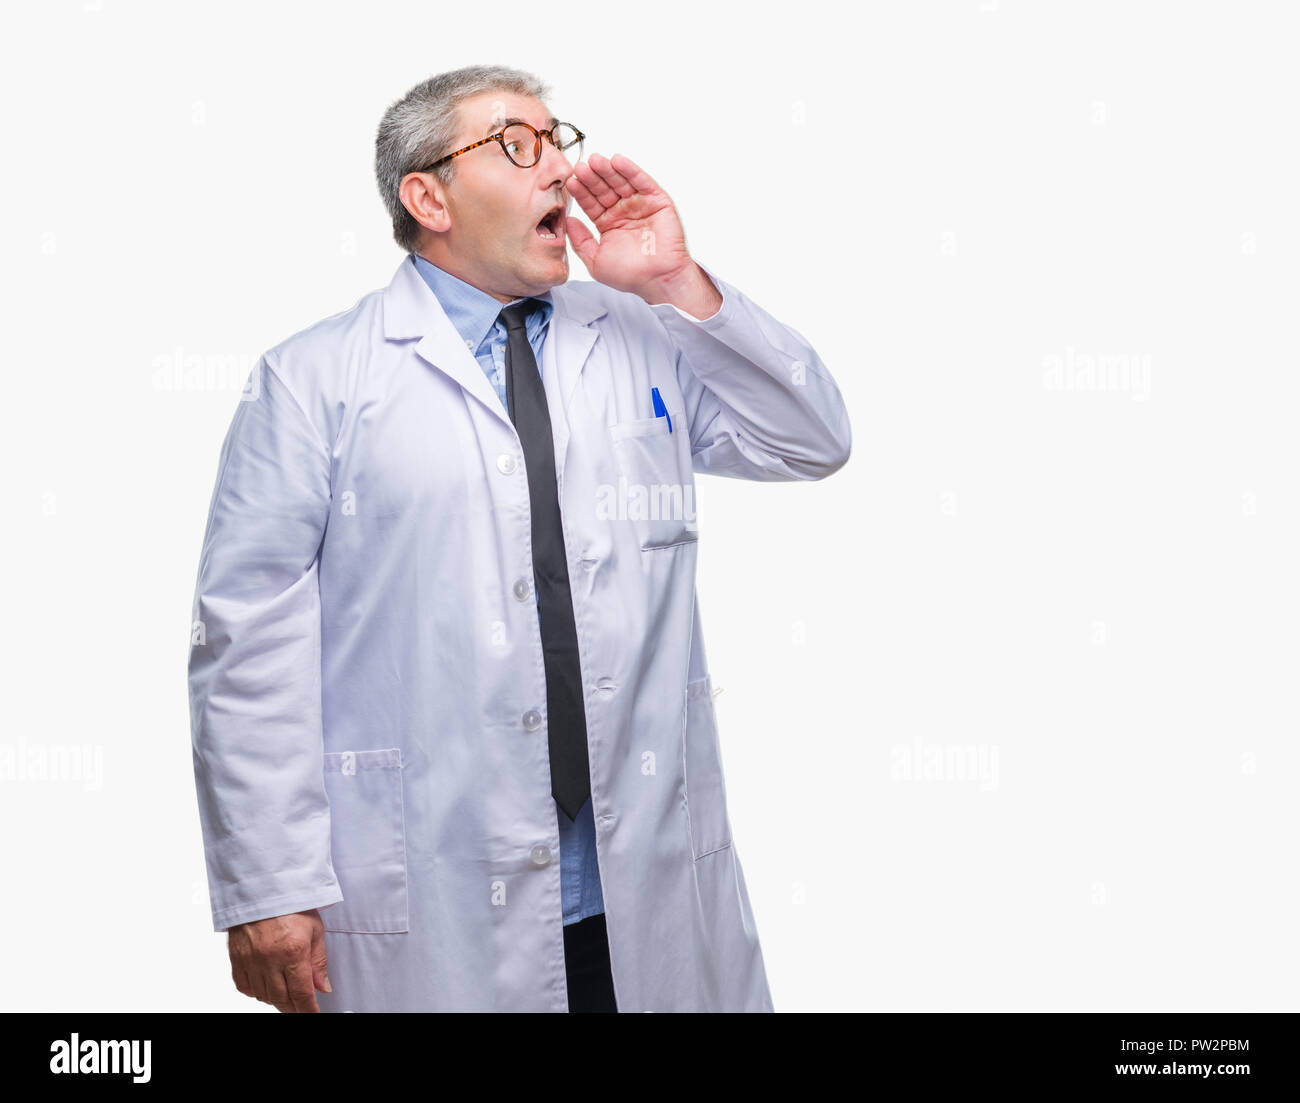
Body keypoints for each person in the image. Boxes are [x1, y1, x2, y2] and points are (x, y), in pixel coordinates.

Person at [188, 63, 852, 1013]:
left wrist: (673, 280)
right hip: (432, 888)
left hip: (646, 885)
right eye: (517, 144)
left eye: (559, 139)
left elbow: (812, 440)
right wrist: (268, 886)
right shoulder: (314, 379)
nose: (560, 172)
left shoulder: (637, 332)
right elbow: (245, 640)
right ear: (429, 196)